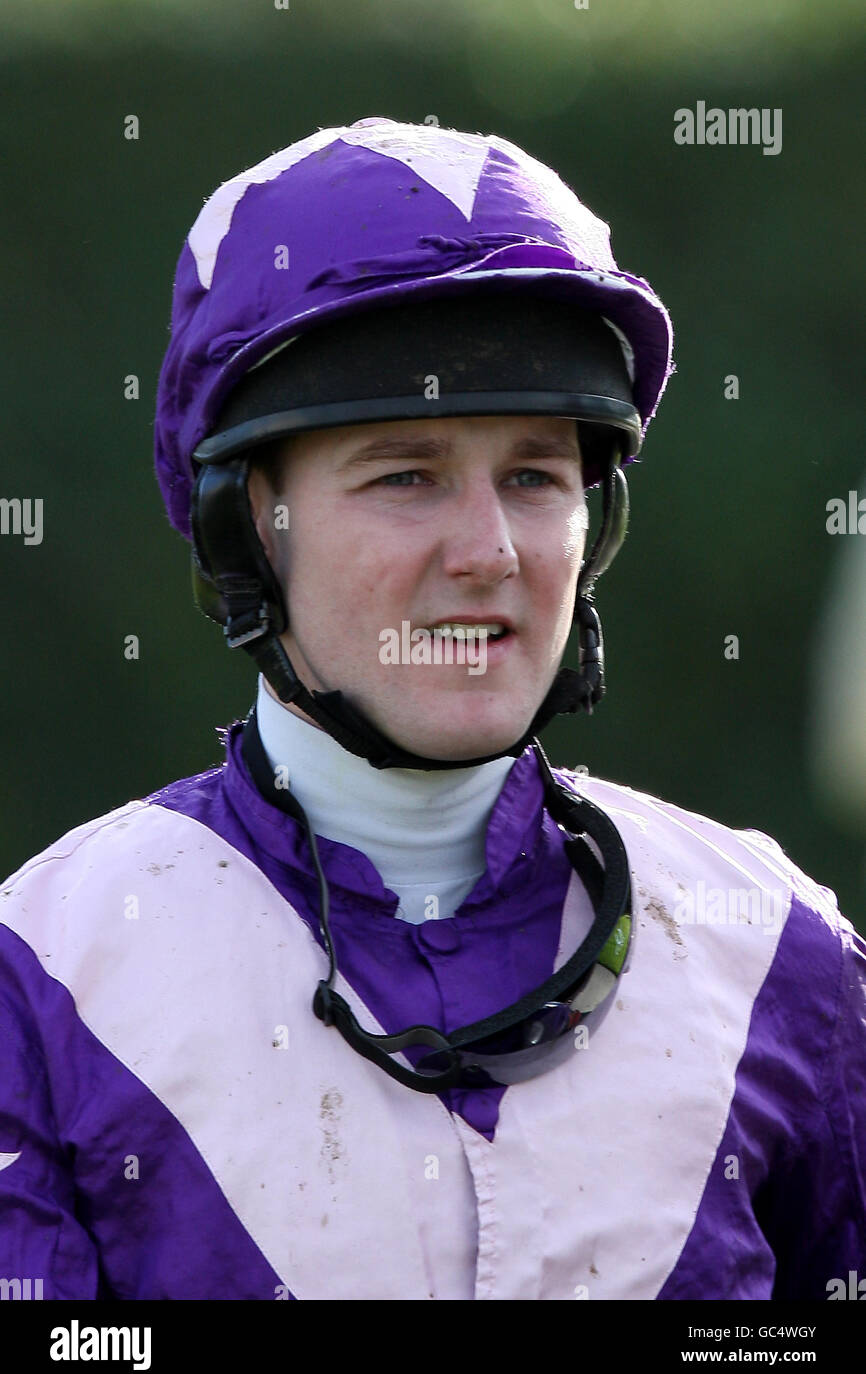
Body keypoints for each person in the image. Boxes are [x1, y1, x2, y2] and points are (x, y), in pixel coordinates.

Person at [0, 117, 863, 1302]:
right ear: (246, 524)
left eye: (533, 474)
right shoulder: (43, 976)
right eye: (404, 474)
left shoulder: (781, 958)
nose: (488, 550)